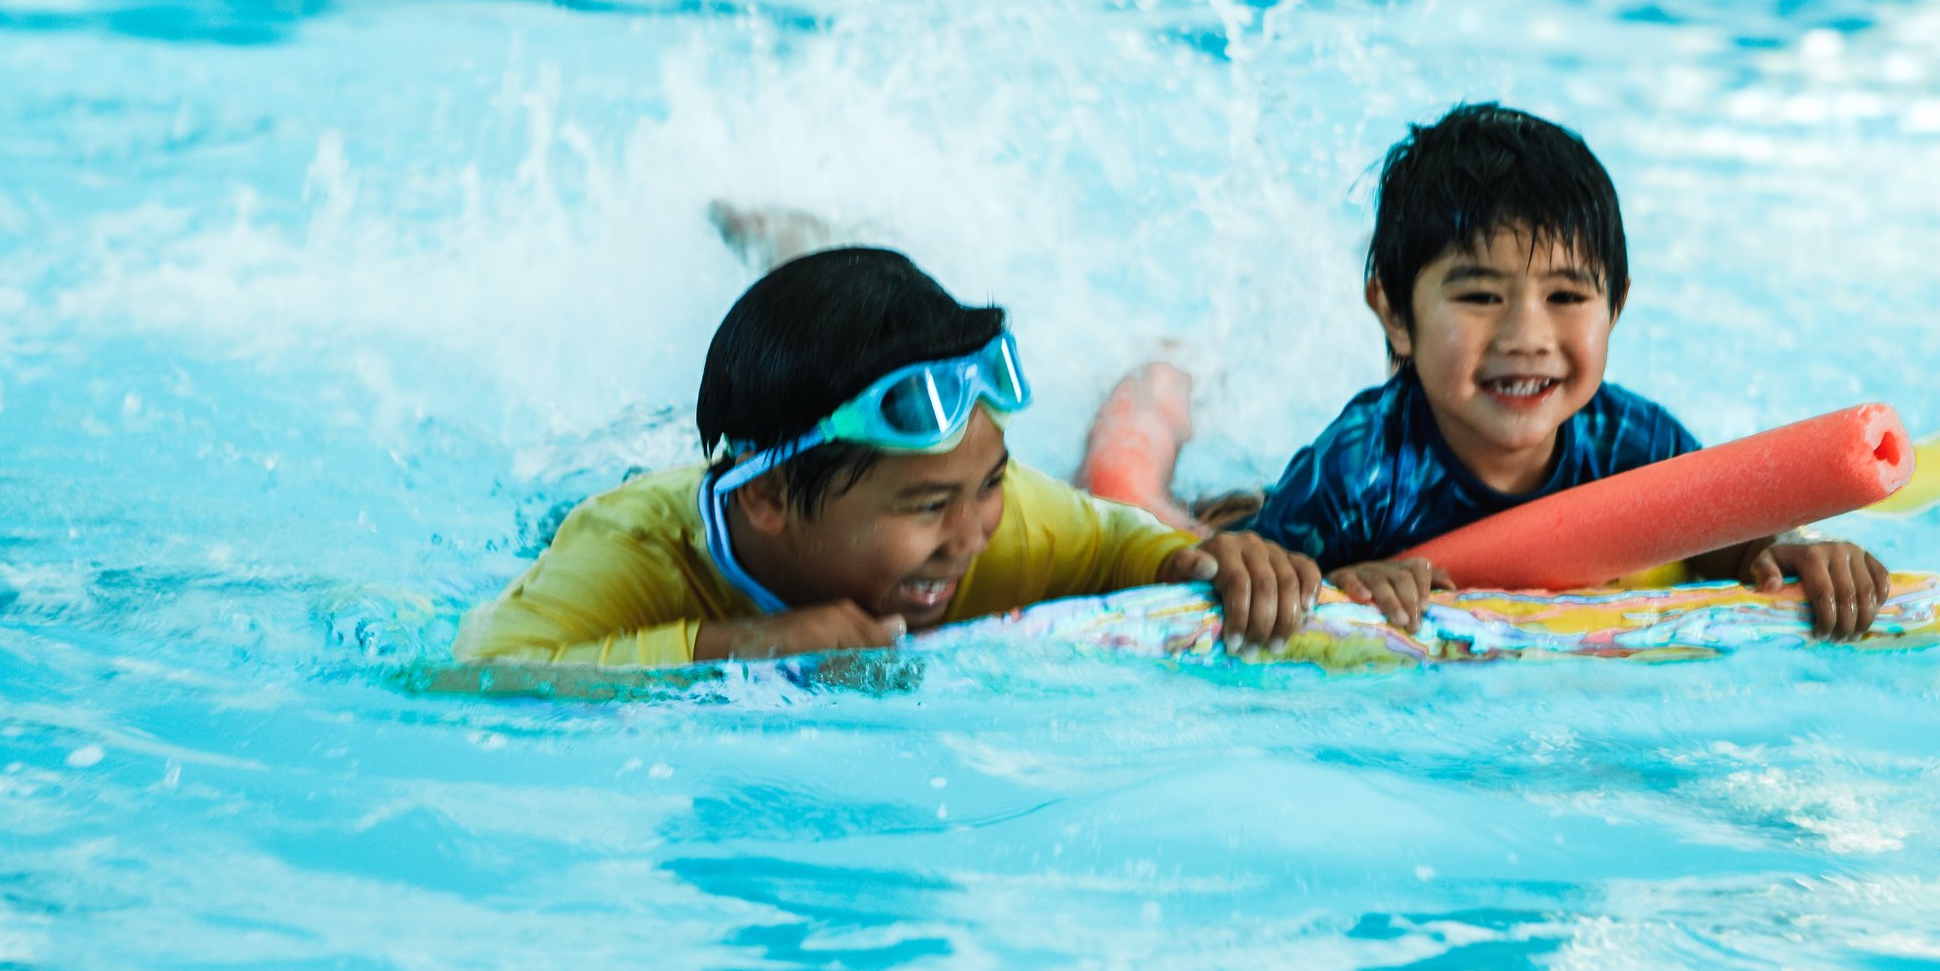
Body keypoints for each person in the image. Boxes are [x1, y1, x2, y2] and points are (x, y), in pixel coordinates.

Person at [456, 247, 1322, 667]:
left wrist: (1206, 560)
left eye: (988, 484)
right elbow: (479, 674)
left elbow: (1122, 548)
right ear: (770, 499)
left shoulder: (1007, 517)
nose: (973, 534)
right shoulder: (635, 549)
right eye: (927, 505)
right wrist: (739, 645)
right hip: (603, 483)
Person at [1248, 102, 1891, 641]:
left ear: (1615, 308)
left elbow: (1719, 541)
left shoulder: (1631, 442)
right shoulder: (1360, 467)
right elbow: (1258, 570)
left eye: (1566, 297)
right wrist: (1343, 583)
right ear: (1394, 313)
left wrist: (1785, 553)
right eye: (1479, 297)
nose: (1527, 338)